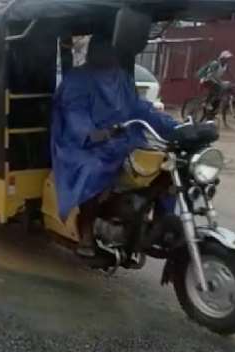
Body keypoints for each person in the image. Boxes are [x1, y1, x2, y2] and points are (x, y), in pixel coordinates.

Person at [51, 34, 179, 257]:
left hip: (123, 139)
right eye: (101, 49)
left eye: (110, 50)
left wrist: (174, 127)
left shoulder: (121, 77)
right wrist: (93, 134)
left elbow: (140, 107)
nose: (108, 54)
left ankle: (161, 222)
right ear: (92, 52)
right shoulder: (77, 79)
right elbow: (74, 113)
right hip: (83, 145)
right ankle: (86, 229)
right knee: (92, 169)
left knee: (168, 163)